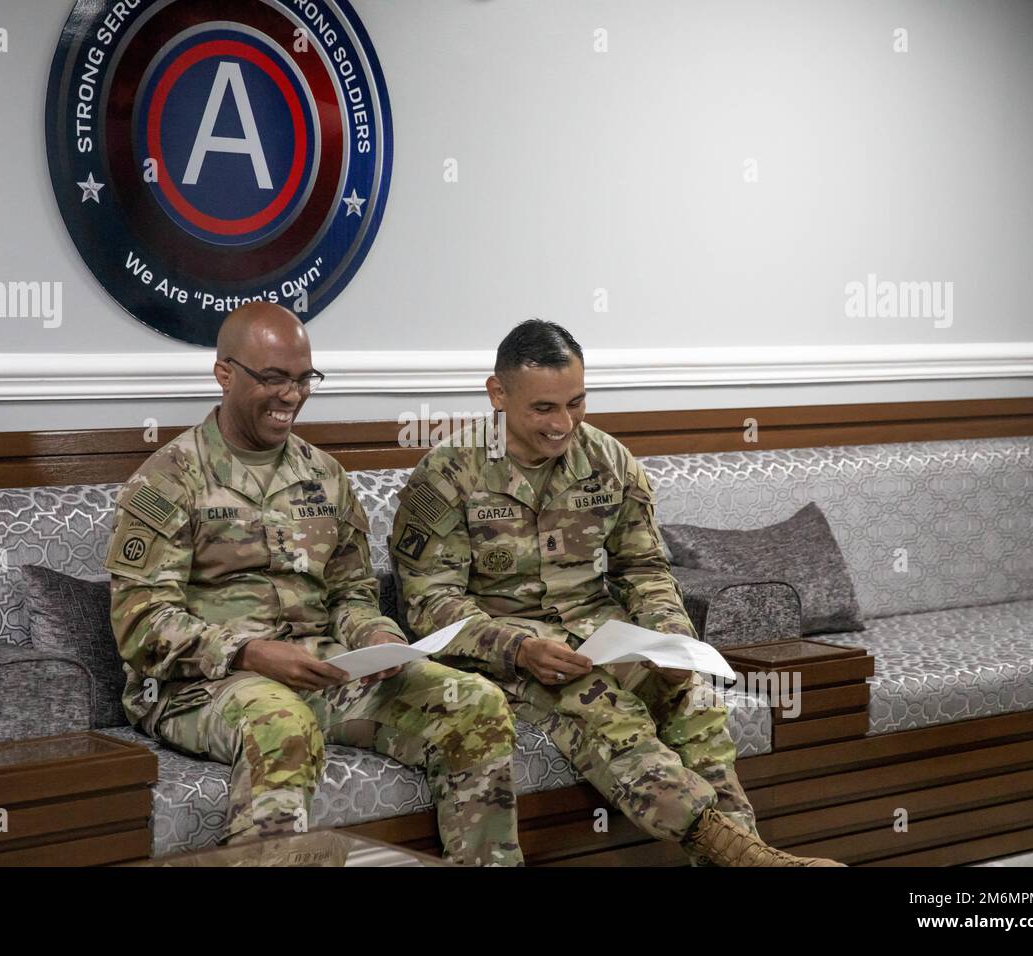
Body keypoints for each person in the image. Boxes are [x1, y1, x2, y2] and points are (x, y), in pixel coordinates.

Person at [388, 319, 843, 867]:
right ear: (497, 393)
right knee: (603, 709)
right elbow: (429, 603)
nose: (563, 425)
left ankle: (739, 855)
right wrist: (517, 647)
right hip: (506, 656)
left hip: (601, 635)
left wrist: (672, 643)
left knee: (695, 700)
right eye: (544, 409)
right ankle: (744, 856)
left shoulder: (610, 461)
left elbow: (644, 569)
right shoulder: (446, 475)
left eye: (576, 403)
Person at [105, 302, 521, 866]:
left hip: (322, 668)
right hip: (203, 683)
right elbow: (141, 624)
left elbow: (351, 593)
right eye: (273, 378)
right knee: (282, 724)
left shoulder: (324, 476)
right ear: (224, 372)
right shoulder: (169, 479)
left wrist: (377, 637)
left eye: (304, 379)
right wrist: (250, 651)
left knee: (474, 701)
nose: (292, 395)